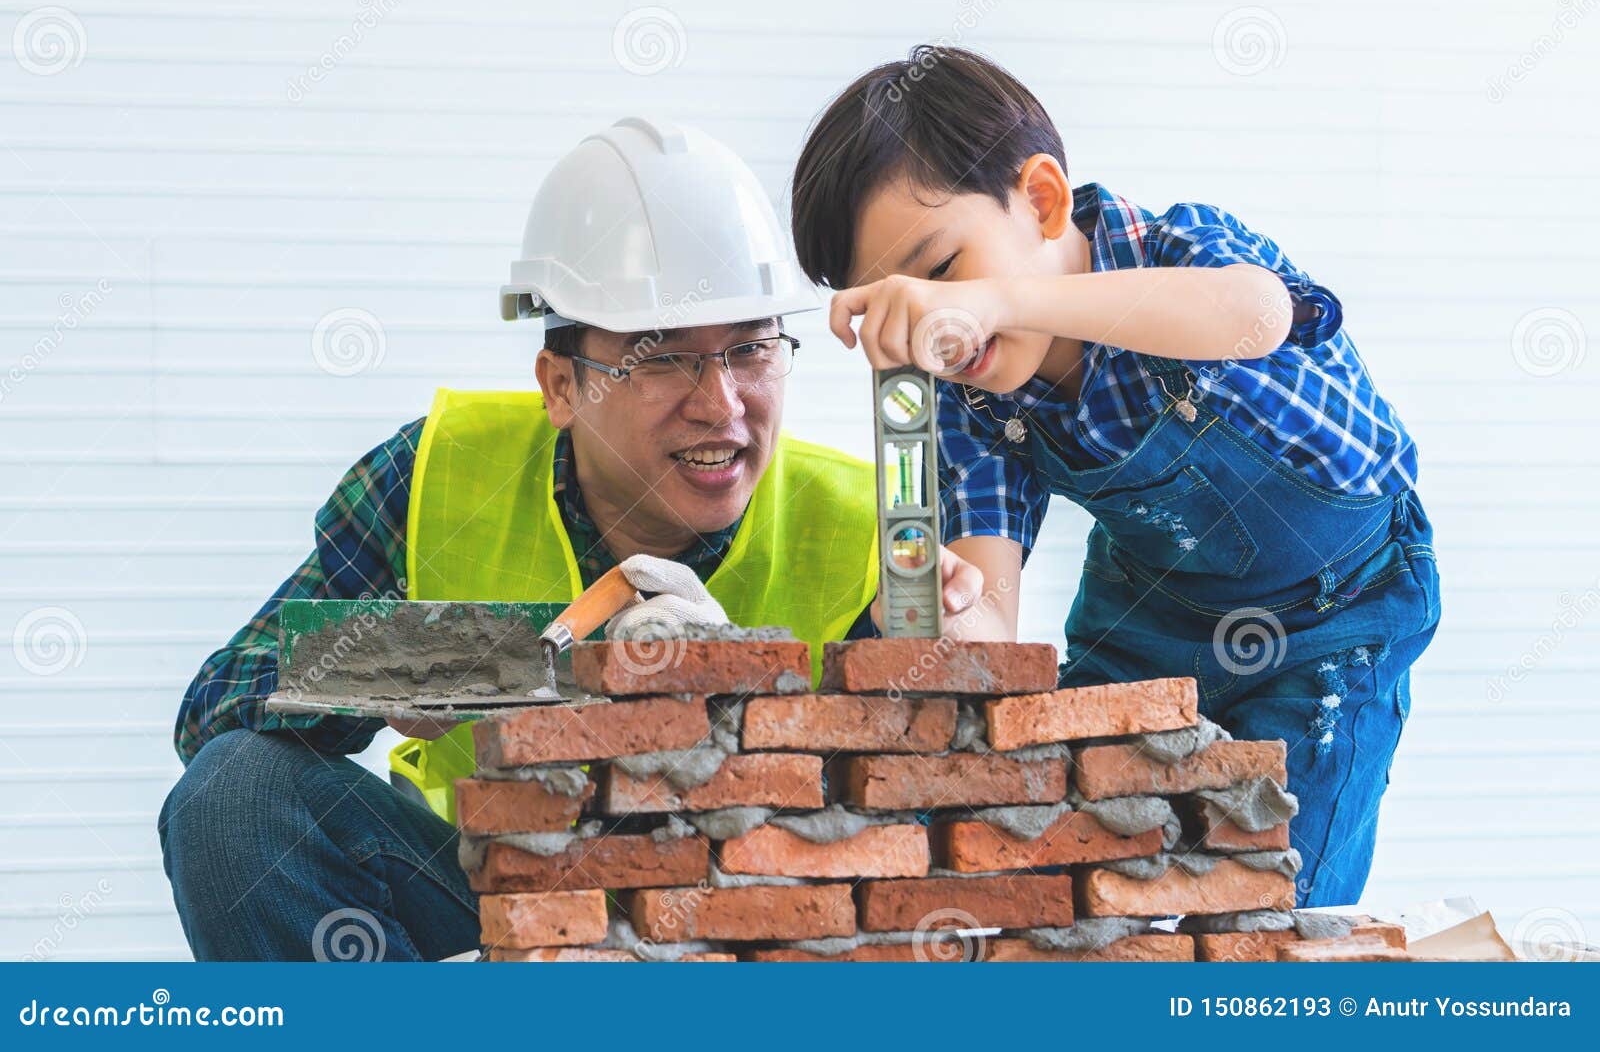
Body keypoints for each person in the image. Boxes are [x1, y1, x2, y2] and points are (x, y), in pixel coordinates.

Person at [159, 117, 981, 960]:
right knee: (233, 796)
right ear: (561, 385)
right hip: (493, 889)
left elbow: (917, 842)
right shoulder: (439, 472)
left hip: (738, 923)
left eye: (751, 348)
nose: (723, 404)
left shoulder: (865, 530)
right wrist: (474, 661)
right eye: (660, 358)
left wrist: (886, 688)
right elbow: (215, 708)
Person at [789, 48, 1441, 906]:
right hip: (1149, 623)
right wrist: (945, 604)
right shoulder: (980, 401)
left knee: (1276, 900)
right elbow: (995, 623)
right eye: (904, 304)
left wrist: (1003, 302)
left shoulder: (1174, 252)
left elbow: (1261, 314)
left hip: (1340, 616)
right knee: (1066, 858)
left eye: (942, 272)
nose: (940, 324)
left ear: (1043, 200)